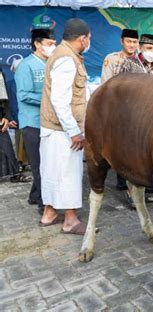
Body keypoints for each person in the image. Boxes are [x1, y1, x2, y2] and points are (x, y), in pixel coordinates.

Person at [39, 18, 92, 235]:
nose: (89, 42)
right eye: (88, 38)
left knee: (52, 171)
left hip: (54, 128)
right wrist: (74, 132)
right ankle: (70, 220)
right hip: (62, 130)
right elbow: (60, 101)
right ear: (82, 39)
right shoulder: (66, 60)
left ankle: (49, 213)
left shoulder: (61, 54)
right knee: (69, 173)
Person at [120, 33, 153, 204]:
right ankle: (132, 194)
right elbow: (122, 92)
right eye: (148, 48)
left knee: (148, 158)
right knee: (133, 158)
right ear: (141, 48)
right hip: (133, 119)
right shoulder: (129, 65)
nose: (152, 52)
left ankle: (145, 191)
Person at [15, 28, 56, 214]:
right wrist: (50, 97)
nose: (52, 47)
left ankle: (34, 195)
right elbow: (23, 95)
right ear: (37, 44)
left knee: (45, 163)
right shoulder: (26, 65)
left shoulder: (51, 64)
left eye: (54, 44)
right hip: (32, 123)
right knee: (40, 165)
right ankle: (43, 204)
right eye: (49, 44)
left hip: (47, 122)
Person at [100, 28, 139, 191]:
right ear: (122, 41)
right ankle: (121, 180)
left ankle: (134, 179)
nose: (132, 45)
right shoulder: (112, 59)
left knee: (134, 147)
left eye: (135, 42)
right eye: (129, 41)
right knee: (119, 147)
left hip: (137, 112)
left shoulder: (141, 61)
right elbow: (105, 85)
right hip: (117, 110)